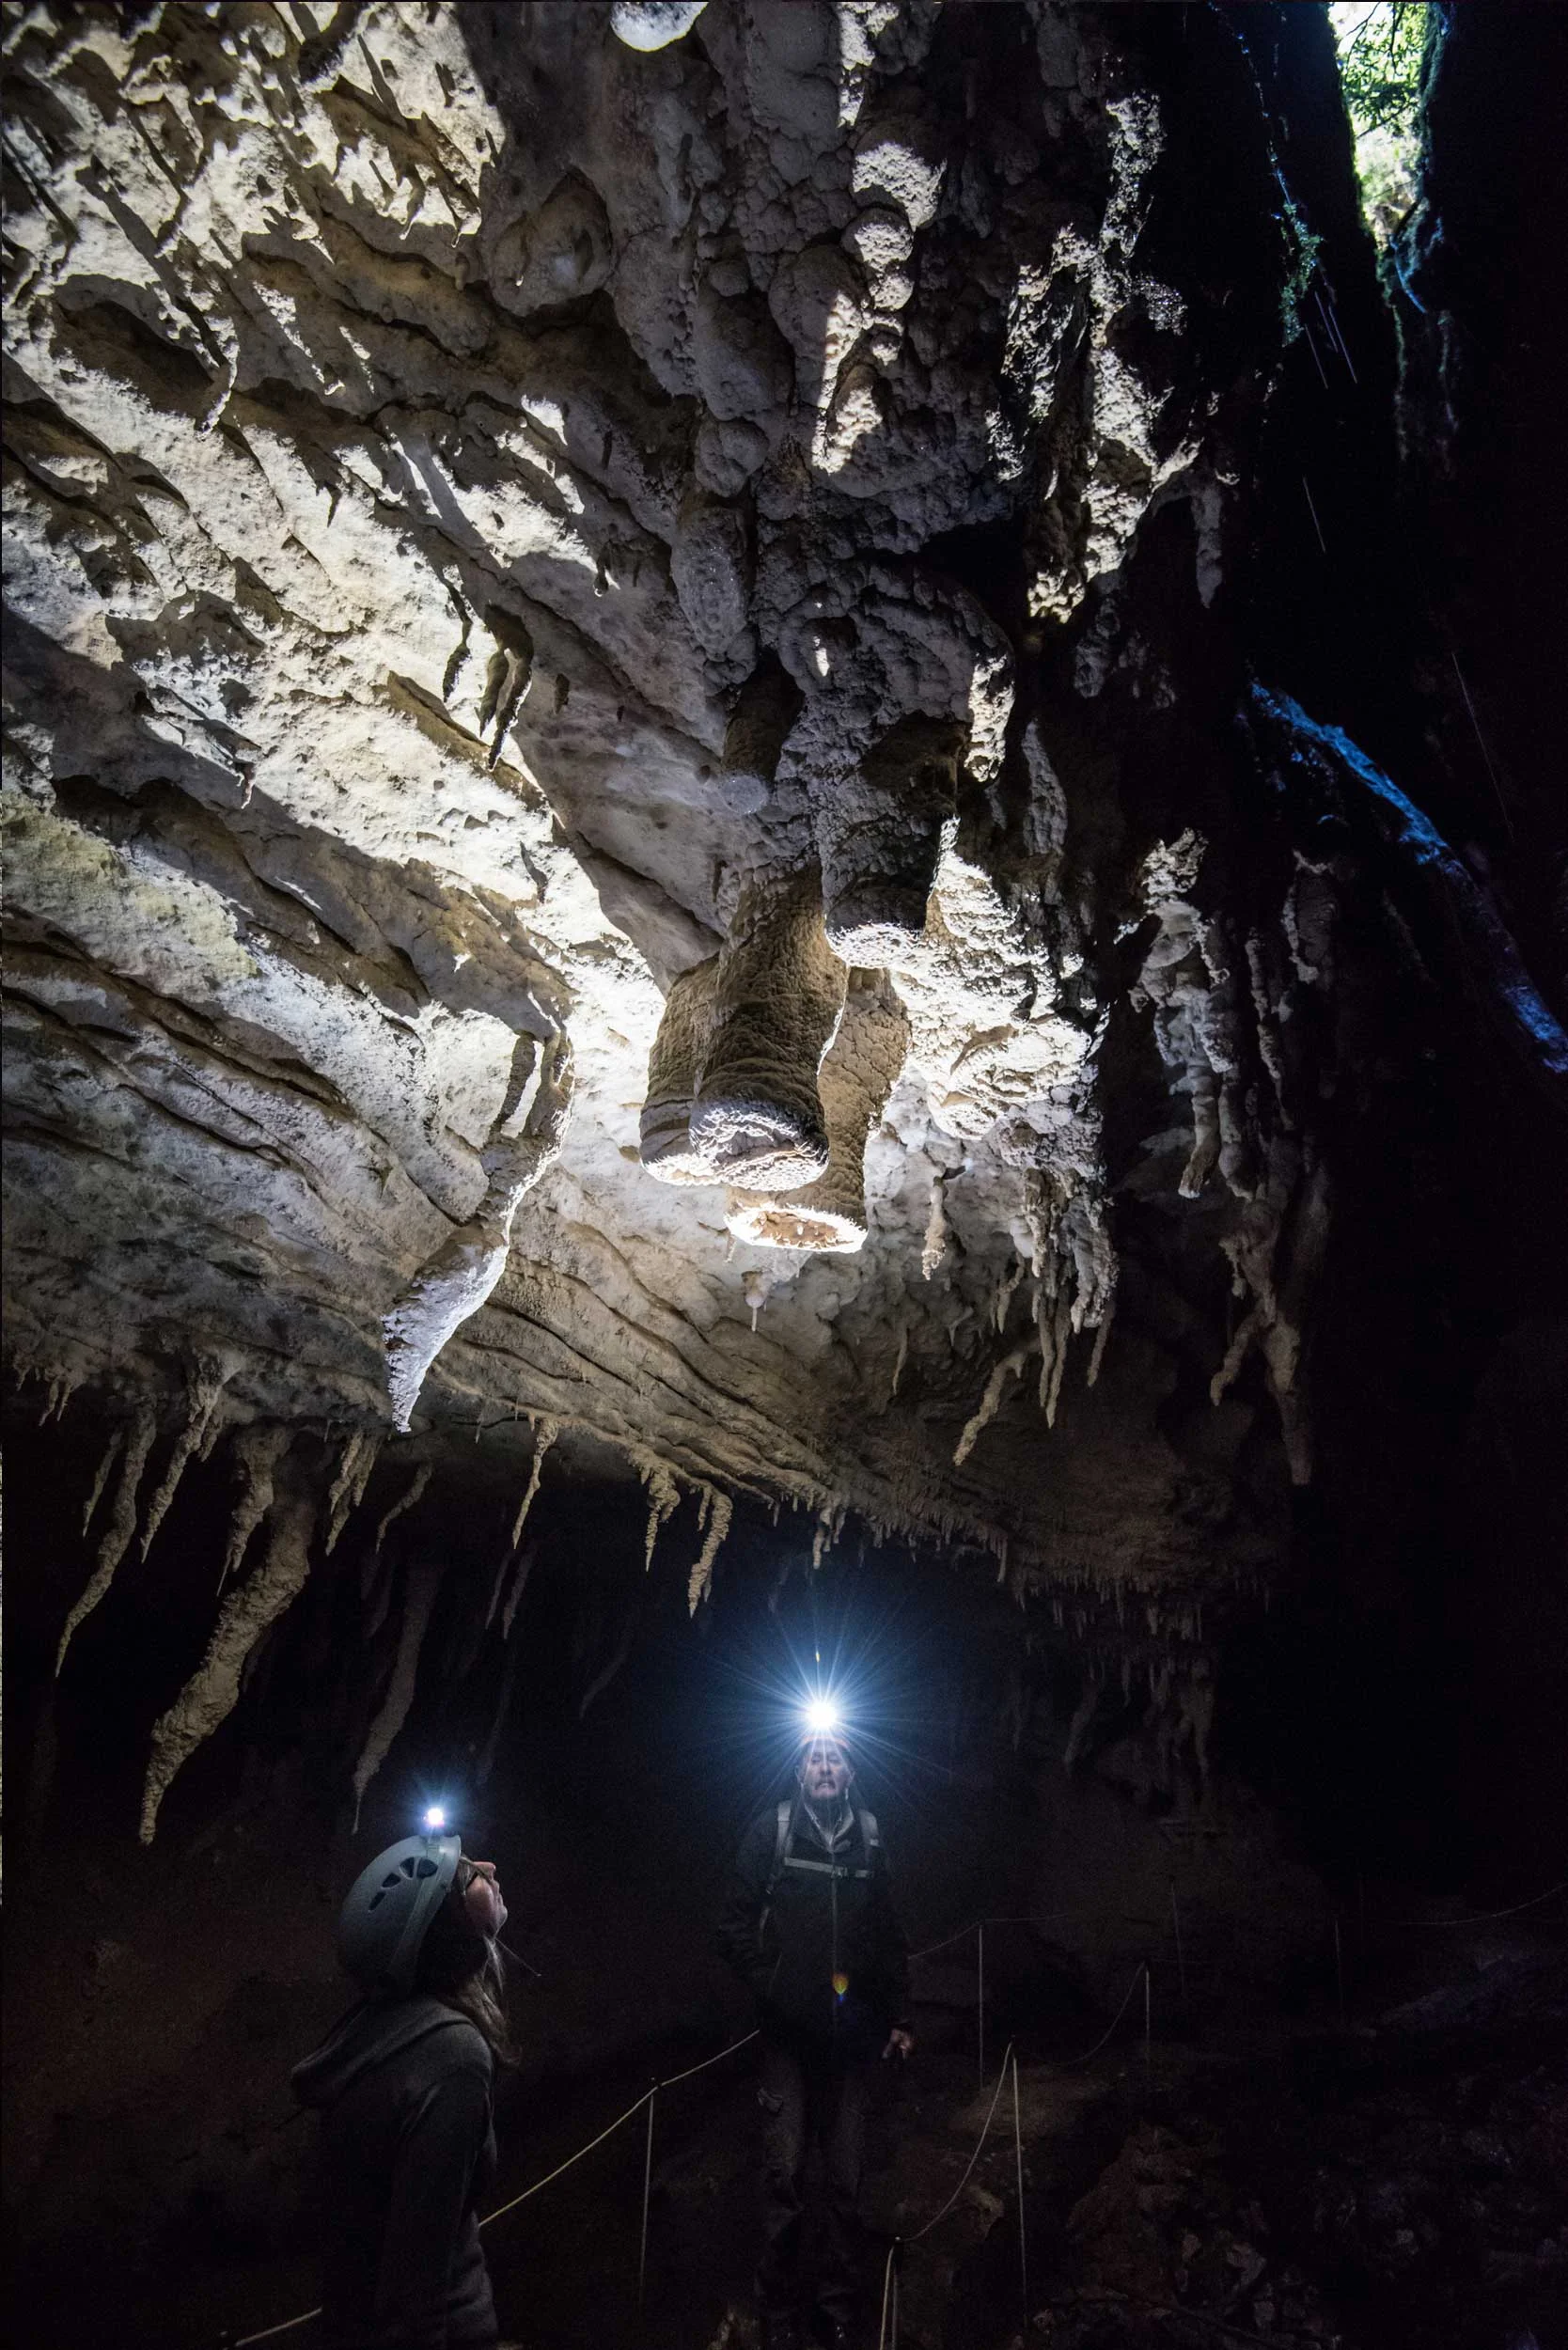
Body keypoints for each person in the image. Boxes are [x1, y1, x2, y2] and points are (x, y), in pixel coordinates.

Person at [716, 1731, 914, 2350]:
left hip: (848, 2041)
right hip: (786, 2042)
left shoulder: (870, 1839)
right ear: (799, 1770)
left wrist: (897, 2016)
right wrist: (773, 1984)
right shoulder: (770, 1833)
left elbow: (886, 1936)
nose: (824, 1766)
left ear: (850, 1771)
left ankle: (833, 2309)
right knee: (787, 2178)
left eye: (835, 1757)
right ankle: (776, 2311)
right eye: (814, 1757)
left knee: (847, 2180)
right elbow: (732, 1924)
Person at [292, 1830, 513, 2350]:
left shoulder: (376, 2032)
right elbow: (415, 2280)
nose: (490, 1866)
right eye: (468, 1874)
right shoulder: (453, 2056)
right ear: (444, 1925)